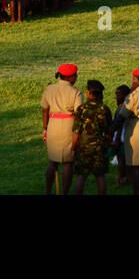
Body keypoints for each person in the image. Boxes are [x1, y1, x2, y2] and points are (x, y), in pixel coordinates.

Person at [41, 63, 83, 194]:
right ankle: (64, 192)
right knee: (68, 162)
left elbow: (45, 110)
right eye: (75, 75)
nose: (76, 77)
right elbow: (79, 114)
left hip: (53, 124)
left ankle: (48, 191)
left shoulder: (49, 89)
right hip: (68, 126)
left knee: (52, 162)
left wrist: (45, 128)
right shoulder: (75, 92)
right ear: (70, 77)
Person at [71, 79, 113, 195]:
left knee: (81, 176)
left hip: (83, 146)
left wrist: (73, 148)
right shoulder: (104, 109)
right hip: (99, 145)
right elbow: (109, 131)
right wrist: (108, 143)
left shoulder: (81, 109)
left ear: (89, 93)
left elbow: (76, 132)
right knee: (100, 177)